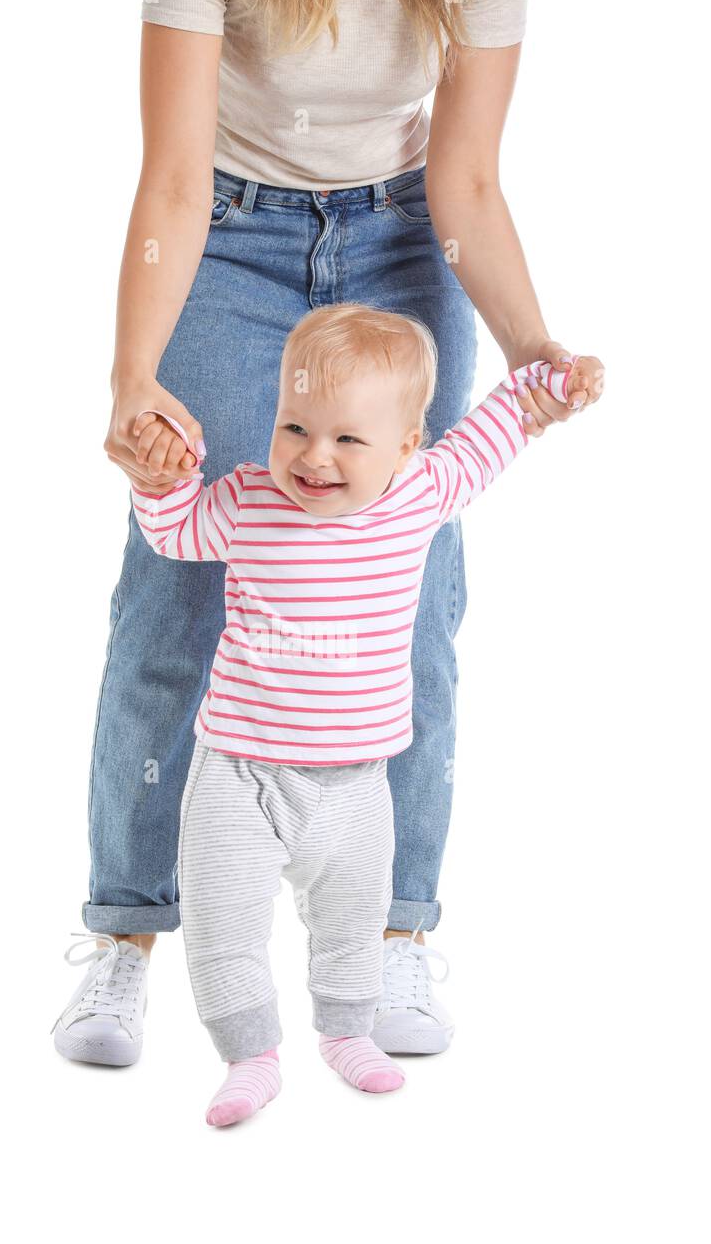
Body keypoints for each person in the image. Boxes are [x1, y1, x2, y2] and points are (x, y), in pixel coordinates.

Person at [53, 0, 601, 1069]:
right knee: (174, 601)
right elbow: (172, 173)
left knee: (414, 593)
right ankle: (125, 929)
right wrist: (133, 378)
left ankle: (394, 928)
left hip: (405, 232)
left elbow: (471, 183)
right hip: (226, 229)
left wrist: (538, 352)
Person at [68, 302, 599, 1123]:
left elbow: (506, 423)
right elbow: (174, 535)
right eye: (293, 427)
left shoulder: (423, 492)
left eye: (348, 440)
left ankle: (347, 1036)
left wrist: (550, 381)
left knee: (354, 927)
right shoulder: (247, 498)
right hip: (238, 776)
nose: (313, 457)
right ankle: (250, 1057)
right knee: (224, 930)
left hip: (358, 784)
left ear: (406, 447)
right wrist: (162, 478)